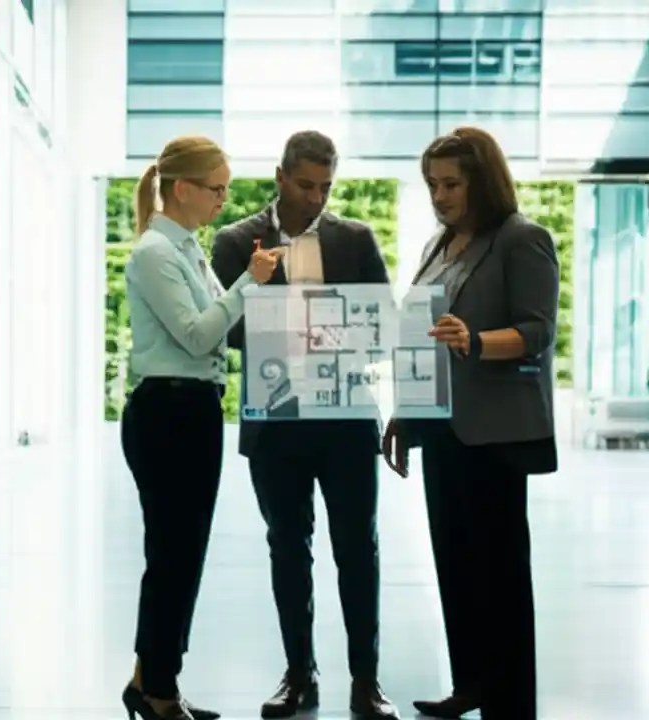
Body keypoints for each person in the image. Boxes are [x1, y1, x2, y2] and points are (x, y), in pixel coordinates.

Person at [211, 131, 400, 720]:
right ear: (280, 177)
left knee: (358, 548)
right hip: (276, 420)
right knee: (288, 548)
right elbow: (228, 331)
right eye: (305, 185)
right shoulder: (235, 242)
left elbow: (383, 327)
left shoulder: (356, 239)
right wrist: (308, 325)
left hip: (346, 418)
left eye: (326, 187)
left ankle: (366, 681)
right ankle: (299, 675)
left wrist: (304, 328)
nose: (316, 198)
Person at [381, 126, 559, 720]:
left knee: (500, 578)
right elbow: (423, 334)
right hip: (443, 429)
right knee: (455, 565)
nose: (440, 195)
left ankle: (510, 704)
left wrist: (476, 341)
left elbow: (537, 331)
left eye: (451, 184)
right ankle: (471, 685)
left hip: (495, 435)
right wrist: (406, 412)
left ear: (483, 181)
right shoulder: (440, 245)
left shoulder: (522, 239)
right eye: (432, 184)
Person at [120, 135, 284, 720]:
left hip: (191, 410)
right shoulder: (155, 253)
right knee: (173, 553)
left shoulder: (185, 247)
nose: (223, 200)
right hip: (169, 414)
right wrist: (248, 282)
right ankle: (158, 689)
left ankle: (153, 677)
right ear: (183, 188)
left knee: (182, 552)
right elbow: (196, 334)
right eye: (216, 189)